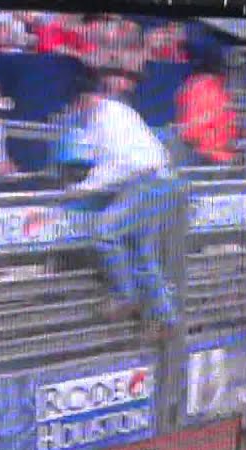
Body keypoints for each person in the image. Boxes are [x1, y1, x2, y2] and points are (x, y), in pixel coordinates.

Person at [66, 53, 177, 333]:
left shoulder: (106, 117)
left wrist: (84, 189)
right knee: (140, 252)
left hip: (146, 180)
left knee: (106, 232)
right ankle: (164, 318)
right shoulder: (112, 114)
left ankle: (125, 298)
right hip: (158, 180)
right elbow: (111, 163)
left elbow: (119, 163)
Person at [174, 37, 237, 165]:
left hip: (214, 155)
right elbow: (192, 130)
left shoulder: (197, 87)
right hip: (209, 156)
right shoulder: (204, 88)